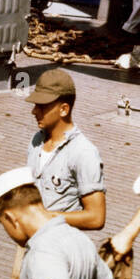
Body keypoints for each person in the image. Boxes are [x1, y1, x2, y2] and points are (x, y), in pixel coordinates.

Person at [25, 68, 106, 231]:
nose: (34, 111)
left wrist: (47, 217)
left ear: (64, 109)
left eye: (42, 106)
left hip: (61, 248)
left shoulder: (84, 153)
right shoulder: (36, 141)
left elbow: (96, 217)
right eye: (35, 105)